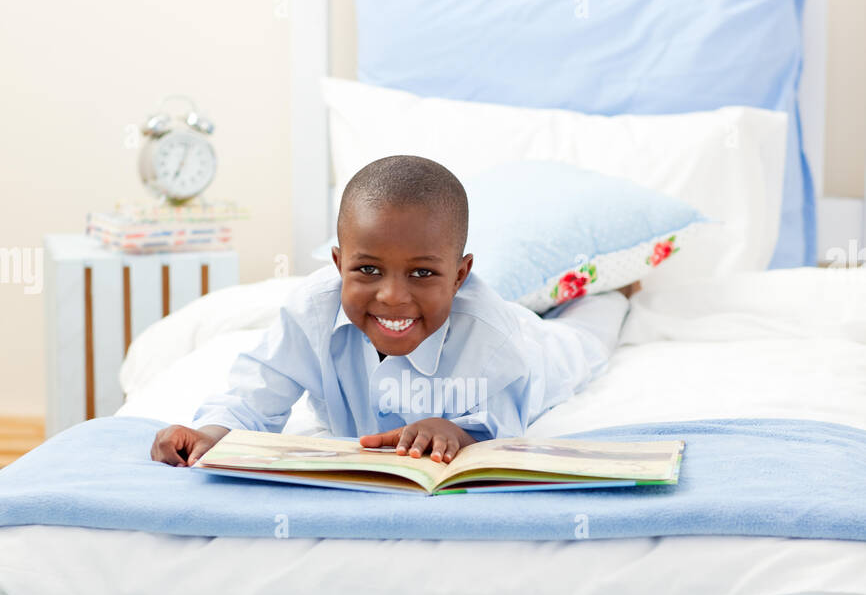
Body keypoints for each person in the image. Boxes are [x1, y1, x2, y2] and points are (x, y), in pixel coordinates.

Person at [151, 155, 638, 468]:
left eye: (422, 273)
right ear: (338, 264)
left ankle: (612, 295)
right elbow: (255, 394)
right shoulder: (310, 311)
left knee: (583, 341)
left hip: (536, 350)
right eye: (367, 270)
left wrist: (457, 430)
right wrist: (209, 433)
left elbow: (500, 423)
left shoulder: (491, 334)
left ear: (460, 275)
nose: (392, 297)